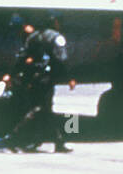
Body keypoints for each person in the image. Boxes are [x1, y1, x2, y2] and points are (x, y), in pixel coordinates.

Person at [6, 15, 76, 152]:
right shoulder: (56, 37)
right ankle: (13, 137)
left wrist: (11, 74)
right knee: (40, 109)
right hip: (46, 78)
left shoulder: (33, 37)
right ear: (54, 22)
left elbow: (22, 57)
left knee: (46, 110)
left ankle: (56, 142)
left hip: (33, 77)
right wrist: (70, 77)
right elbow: (61, 59)